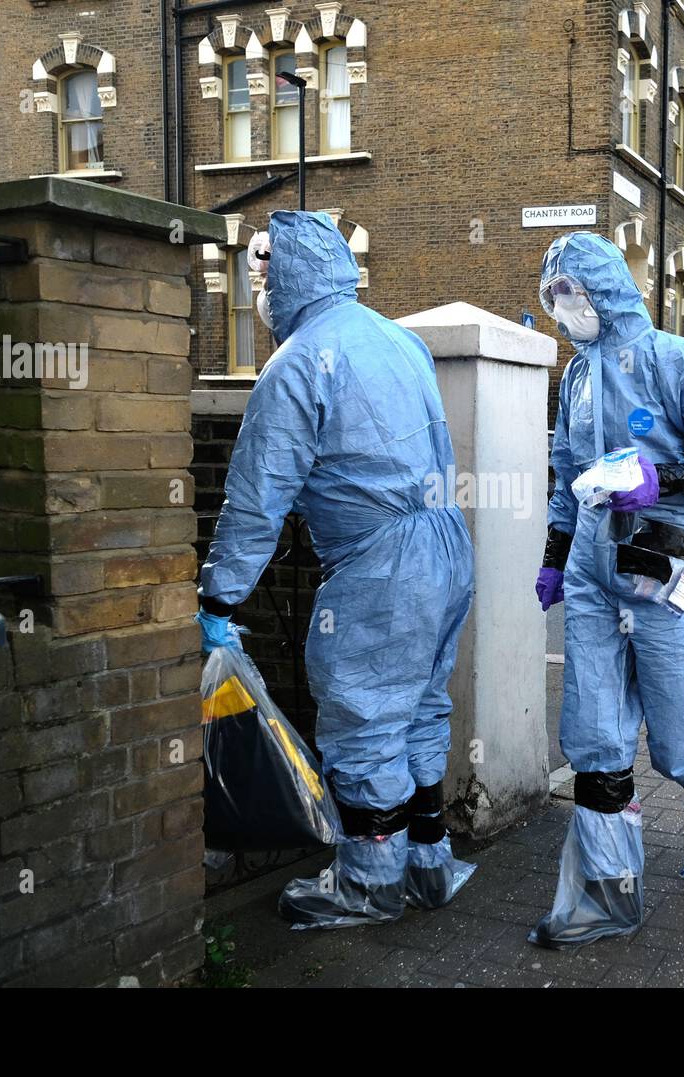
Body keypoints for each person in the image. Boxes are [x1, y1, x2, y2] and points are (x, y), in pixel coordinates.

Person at [197, 211, 476, 928]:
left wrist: (219, 599)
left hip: (380, 563)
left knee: (364, 719)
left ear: (290, 276)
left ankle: (370, 882)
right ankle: (429, 860)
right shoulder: (398, 338)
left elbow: (257, 497)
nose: (259, 286)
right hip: (446, 544)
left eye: (264, 272)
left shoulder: (295, 364)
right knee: (419, 708)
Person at [531, 231, 684, 948]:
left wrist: (663, 480)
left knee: (676, 738)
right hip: (597, 575)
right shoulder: (574, 378)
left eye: (571, 294)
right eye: (554, 299)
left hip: (670, 569)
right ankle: (606, 896)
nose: (564, 310)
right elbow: (568, 480)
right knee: (595, 736)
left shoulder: (675, 359)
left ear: (603, 290)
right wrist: (555, 553)